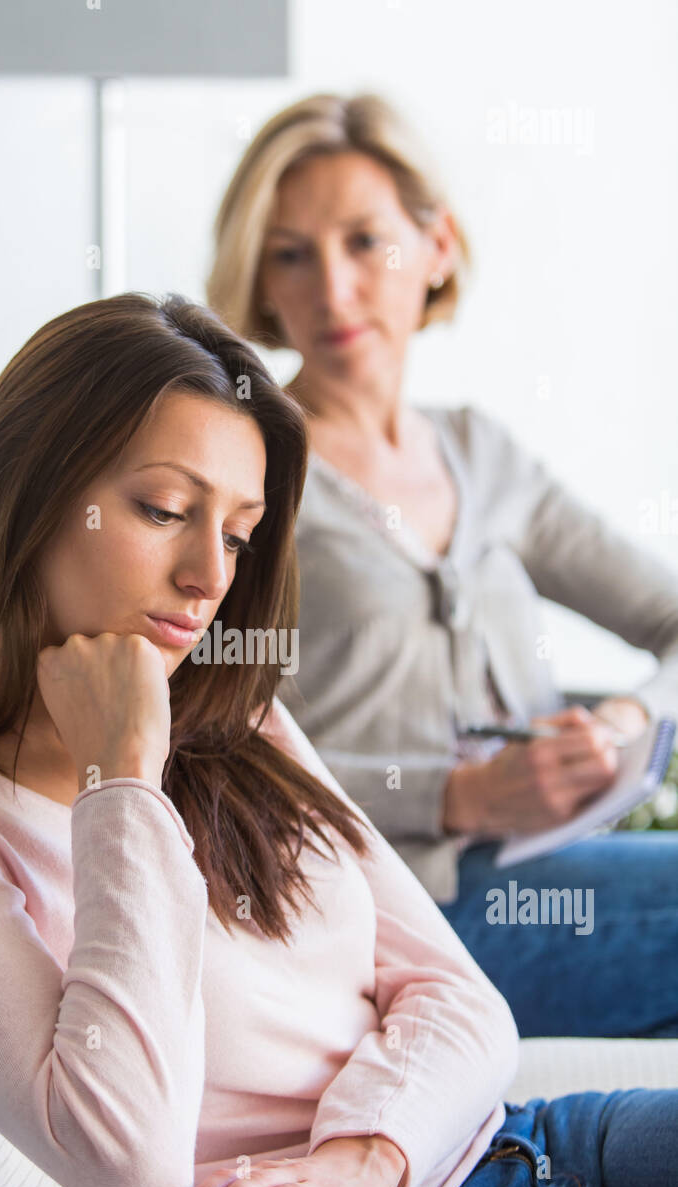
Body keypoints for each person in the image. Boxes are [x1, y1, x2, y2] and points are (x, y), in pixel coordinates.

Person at [0, 292, 675, 1187]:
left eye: (235, 534)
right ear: (29, 493)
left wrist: (369, 1156)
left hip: (522, 1144)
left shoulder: (231, 712)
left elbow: (461, 999)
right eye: (165, 510)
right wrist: (120, 781)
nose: (202, 578)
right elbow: (119, 1149)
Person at [206, 91, 678, 1039]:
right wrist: (451, 795)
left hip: (551, 870)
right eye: (292, 254)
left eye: (364, 242)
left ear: (439, 247)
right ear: (259, 277)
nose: (332, 291)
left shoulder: (482, 453)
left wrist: (631, 719)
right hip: (391, 914)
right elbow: (201, 744)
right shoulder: (239, 466)